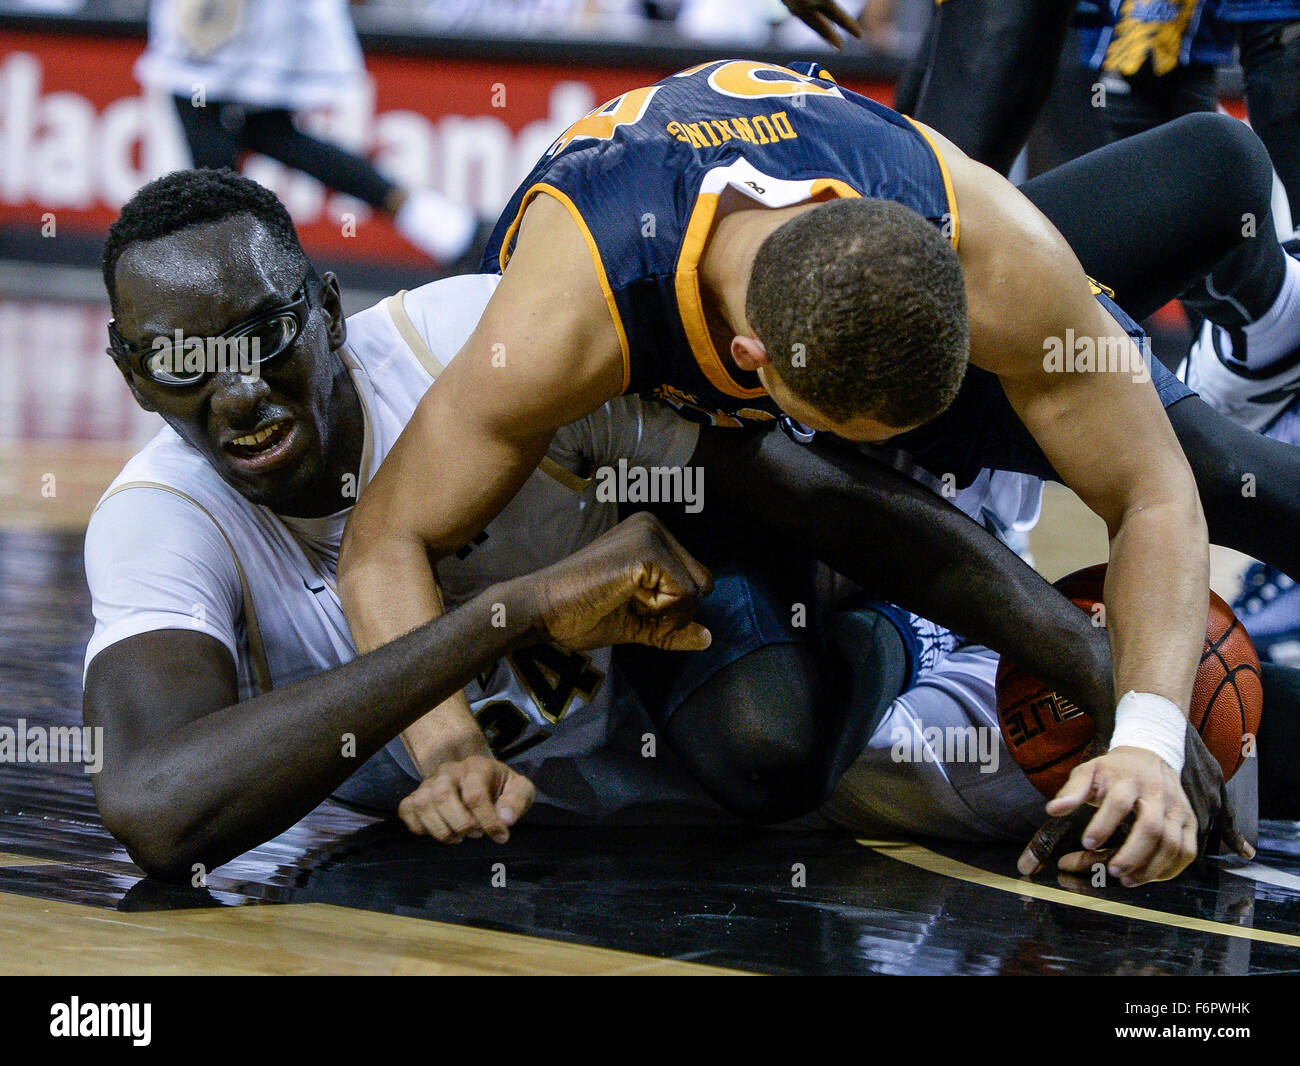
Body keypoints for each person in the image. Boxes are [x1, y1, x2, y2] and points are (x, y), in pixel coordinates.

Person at [337, 59, 1300, 888]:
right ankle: (902, 615)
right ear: (752, 358)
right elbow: (385, 543)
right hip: (714, 455)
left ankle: (1252, 333)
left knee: (1213, 466)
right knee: (759, 753)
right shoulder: (567, 317)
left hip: (864, 353)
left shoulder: (987, 244)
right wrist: (450, 751)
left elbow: (1151, 494)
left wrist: (1148, 738)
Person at [89, 169, 1132, 878]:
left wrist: (1100, 673)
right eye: (184, 364)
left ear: (324, 309)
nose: (236, 395)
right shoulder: (162, 519)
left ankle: (904, 620)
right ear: (134, 376)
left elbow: (803, 493)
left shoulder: (478, 347)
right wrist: (518, 609)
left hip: (700, 605)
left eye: (263, 338)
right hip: (599, 778)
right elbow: (154, 807)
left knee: (773, 751)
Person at [135, 0, 484, 270]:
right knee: (265, 135)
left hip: (248, 20)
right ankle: (441, 225)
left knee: (217, 142)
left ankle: (224, 268)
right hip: (257, 21)